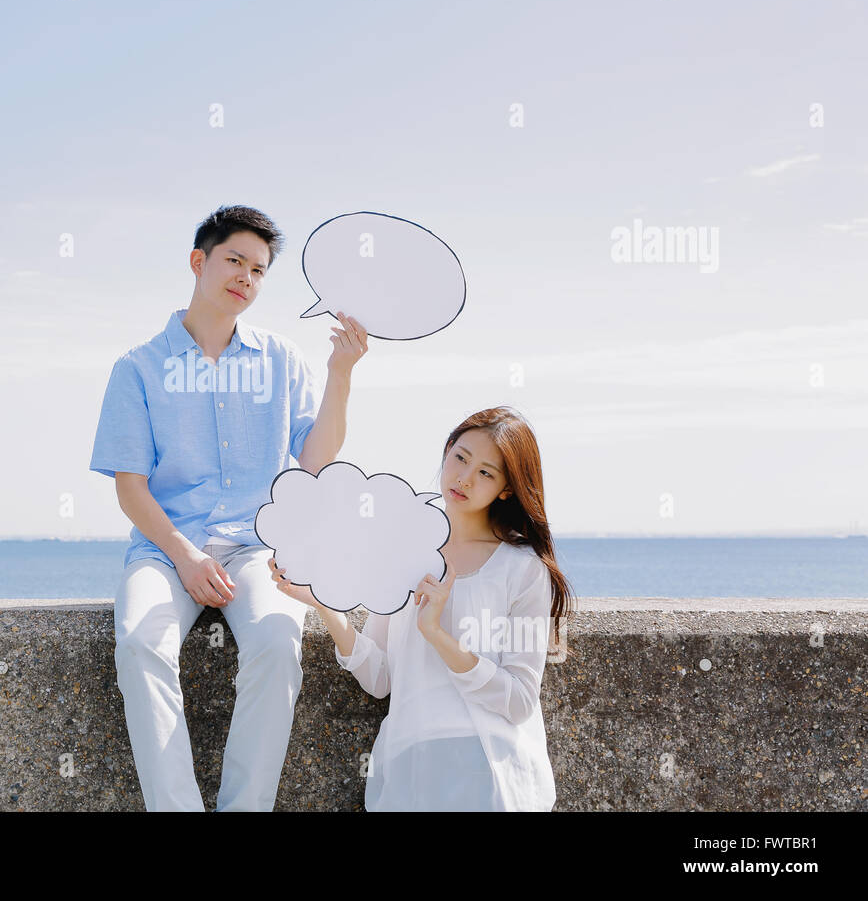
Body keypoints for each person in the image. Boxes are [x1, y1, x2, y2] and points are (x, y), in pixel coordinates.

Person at [90, 205, 369, 811]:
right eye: (235, 261)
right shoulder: (136, 369)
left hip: (258, 548)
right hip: (167, 550)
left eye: (260, 270)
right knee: (140, 644)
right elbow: (130, 488)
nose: (246, 277)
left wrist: (340, 372)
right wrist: (186, 557)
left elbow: (315, 459)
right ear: (199, 262)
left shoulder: (281, 359)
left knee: (276, 644)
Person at [270, 406, 574, 810]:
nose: (464, 478)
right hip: (412, 765)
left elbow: (519, 700)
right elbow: (380, 678)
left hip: (490, 771)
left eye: (486, 472)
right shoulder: (402, 551)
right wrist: (325, 604)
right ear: (447, 450)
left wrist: (437, 635)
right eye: (461, 457)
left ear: (506, 489)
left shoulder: (521, 568)